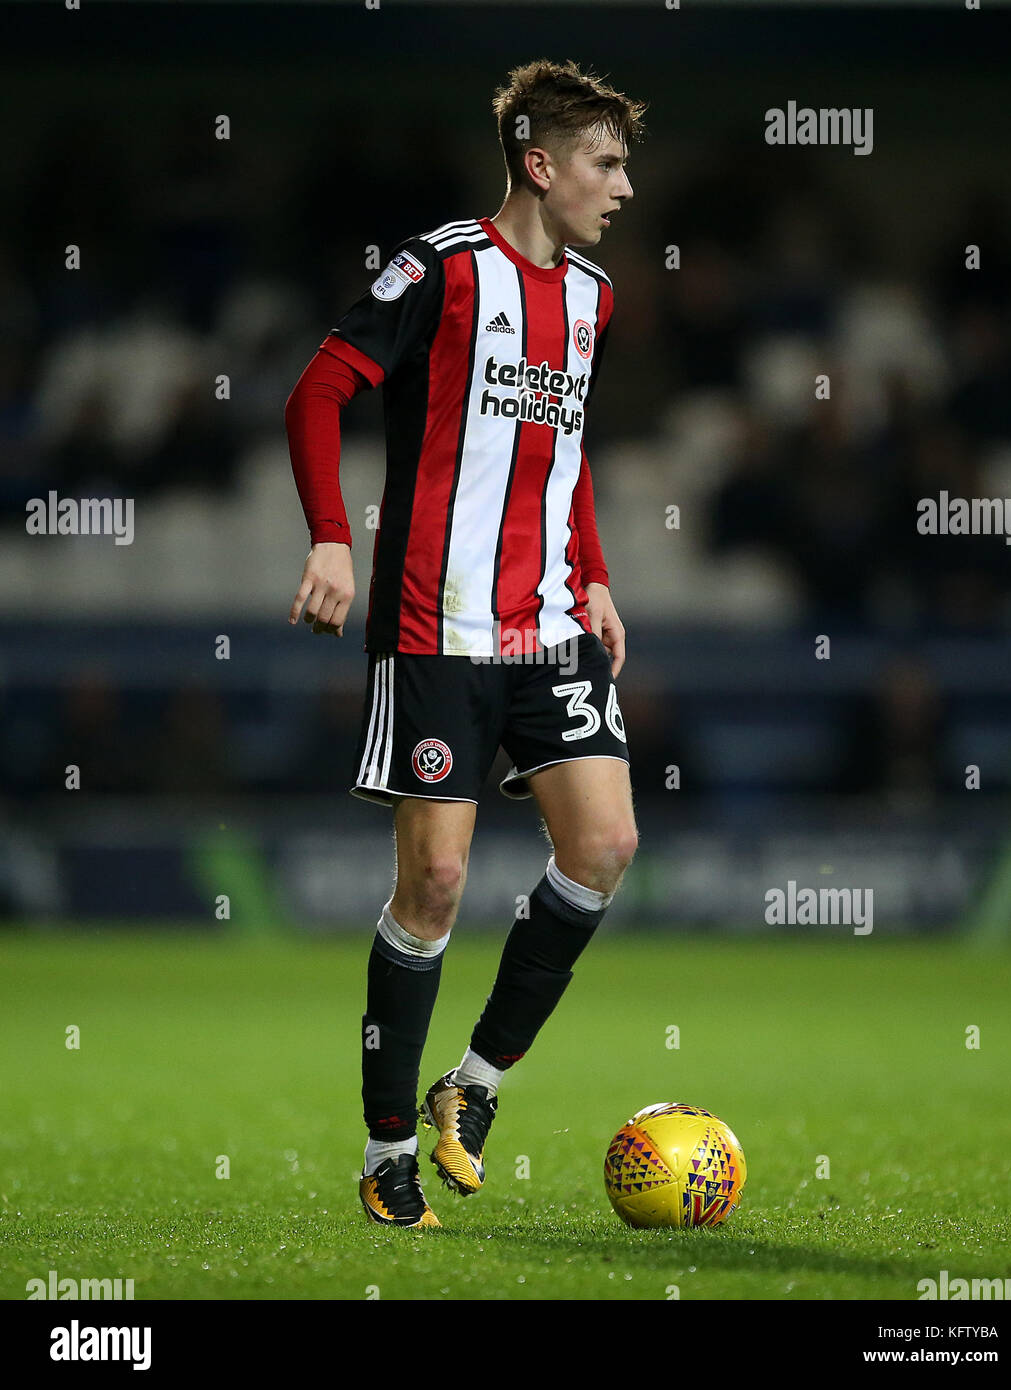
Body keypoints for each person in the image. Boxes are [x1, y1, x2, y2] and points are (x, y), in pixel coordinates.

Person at [284, 58, 646, 1228]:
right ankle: (388, 1152)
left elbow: (566, 449)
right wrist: (333, 539)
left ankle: (470, 1087)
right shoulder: (439, 269)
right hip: (435, 631)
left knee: (604, 846)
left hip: (548, 631)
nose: (624, 187)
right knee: (433, 882)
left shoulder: (591, 296)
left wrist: (591, 572)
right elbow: (314, 392)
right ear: (540, 165)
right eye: (606, 162)